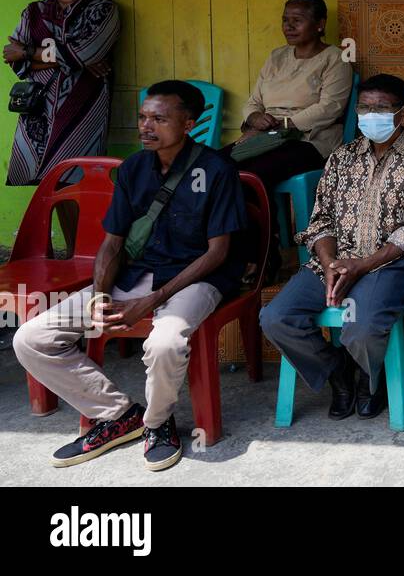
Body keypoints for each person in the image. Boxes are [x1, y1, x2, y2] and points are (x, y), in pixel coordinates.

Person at [13, 80, 246, 472]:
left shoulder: (217, 170)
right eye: (142, 117)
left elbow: (217, 252)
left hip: (196, 280)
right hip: (136, 275)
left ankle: (157, 424)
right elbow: (112, 243)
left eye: (159, 118)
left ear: (188, 123)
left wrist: (153, 302)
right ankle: (119, 414)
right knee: (31, 338)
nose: (146, 126)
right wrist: (99, 296)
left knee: (165, 342)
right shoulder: (134, 168)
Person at [260, 74, 404, 422]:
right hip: (333, 262)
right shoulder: (341, 158)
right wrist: (329, 263)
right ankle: (336, 371)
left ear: (401, 113)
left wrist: (363, 264)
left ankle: (370, 381)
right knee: (276, 318)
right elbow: (321, 220)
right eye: (365, 107)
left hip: (388, 265)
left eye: (382, 108)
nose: (371, 114)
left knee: (362, 327)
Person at [5, 0, 120, 253]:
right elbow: (12, 58)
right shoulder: (35, 10)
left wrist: (33, 52)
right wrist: (65, 58)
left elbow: (85, 51)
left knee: (76, 180)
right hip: (37, 110)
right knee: (47, 183)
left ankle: (83, 253)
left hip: (80, 109)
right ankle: (63, 255)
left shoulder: (103, 9)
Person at [227, 0, 353, 264]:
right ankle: (230, 251)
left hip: (308, 142)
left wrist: (284, 125)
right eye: (285, 20)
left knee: (253, 175)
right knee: (214, 166)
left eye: (297, 20)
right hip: (265, 136)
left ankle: (262, 255)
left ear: (320, 24)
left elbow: (330, 107)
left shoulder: (335, 59)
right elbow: (253, 101)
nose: (288, 26)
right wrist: (255, 117)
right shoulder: (276, 57)